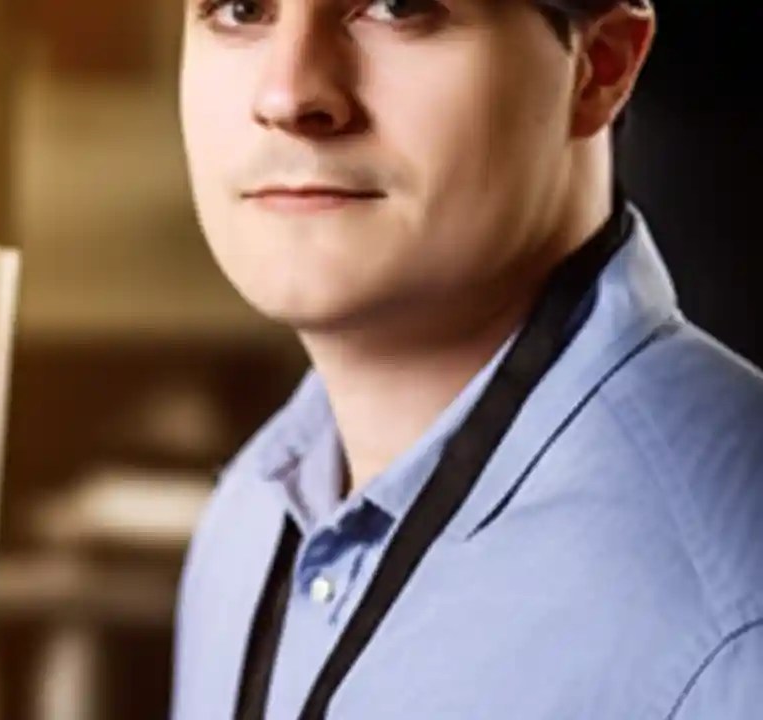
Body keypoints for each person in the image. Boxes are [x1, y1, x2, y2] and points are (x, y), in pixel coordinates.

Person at [172, 1, 763, 718]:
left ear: (602, 65)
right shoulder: (249, 513)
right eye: (240, 9)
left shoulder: (731, 626)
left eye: (399, 6)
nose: (289, 95)